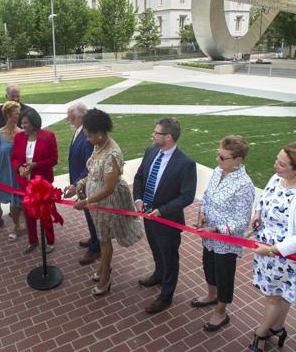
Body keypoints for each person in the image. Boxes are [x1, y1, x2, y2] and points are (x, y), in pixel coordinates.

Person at [248, 141, 296, 352]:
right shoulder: (277, 179)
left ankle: (261, 333)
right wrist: (257, 213)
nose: (275, 166)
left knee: (274, 297)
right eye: (277, 160)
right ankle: (278, 328)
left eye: (282, 164)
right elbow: (263, 198)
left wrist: (272, 250)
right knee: (279, 294)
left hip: (283, 256)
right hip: (265, 250)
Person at [72, 109, 144, 296]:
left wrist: (86, 201)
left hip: (106, 203)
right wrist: (80, 183)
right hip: (97, 204)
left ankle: (105, 279)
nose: (87, 140)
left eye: (89, 136)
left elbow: (108, 188)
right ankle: (105, 268)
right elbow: (93, 173)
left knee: (104, 240)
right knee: (101, 237)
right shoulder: (99, 145)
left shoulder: (112, 154)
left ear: (100, 134)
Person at [132, 117, 197, 314]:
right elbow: (139, 177)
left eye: (157, 132)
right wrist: (138, 200)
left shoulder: (185, 164)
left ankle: (166, 296)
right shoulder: (151, 151)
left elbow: (187, 196)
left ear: (168, 137)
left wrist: (162, 210)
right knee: (156, 250)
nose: (153, 135)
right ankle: (158, 275)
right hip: (148, 216)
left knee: (170, 258)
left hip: (167, 221)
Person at [193, 135, 255, 332]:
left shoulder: (245, 185)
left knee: (224, 275)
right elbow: (206, 196)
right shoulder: (218, 171)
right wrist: (202, 212)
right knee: (208, 266)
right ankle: (211, 295)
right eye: (218, 155)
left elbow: (241, 221)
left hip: (225, 241)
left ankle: (221, 311)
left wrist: (217, 229)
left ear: (237, 159)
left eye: (222, 157)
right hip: (208, 235)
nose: (217, 160)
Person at [11, 108, 58, 254]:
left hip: (42, 183)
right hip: (25, 183)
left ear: (34, 123)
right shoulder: (18, 137)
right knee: (28, 213)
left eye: (26, 123)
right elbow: (14, 158)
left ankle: (50, 241)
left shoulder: (48, 136)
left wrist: (36, 165)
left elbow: (53, 159)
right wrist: (19, 168)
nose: (23, 125)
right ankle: (32, 241)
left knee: (45, 213)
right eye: (22, 123)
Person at [63, 102, 100, 266]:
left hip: (86, 184)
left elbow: (88, 166)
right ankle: (94, 238)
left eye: (70, 116)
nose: (68, 119)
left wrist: (76, 184)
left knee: (92, 216)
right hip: (80, 182)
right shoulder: (80, 131)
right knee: (88, 215)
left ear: (79, 117)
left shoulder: (87, 136)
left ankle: (96, 248)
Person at [0, 101, 25, 240]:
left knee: (25, 201)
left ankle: (30, 225)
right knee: (13, 203)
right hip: (6, 174)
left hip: (21, 173)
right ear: (8, 115)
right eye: (17, 113)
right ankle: (17, 226)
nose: (20, 116)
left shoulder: (23, 132)